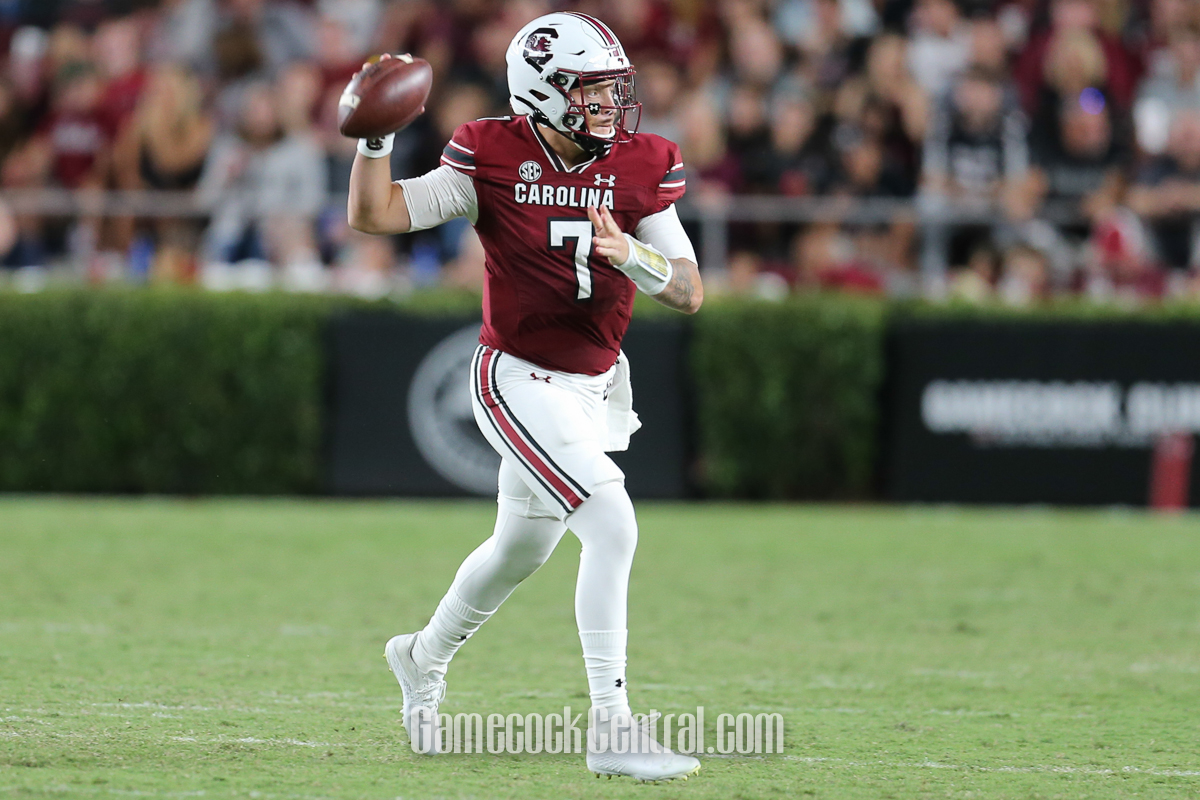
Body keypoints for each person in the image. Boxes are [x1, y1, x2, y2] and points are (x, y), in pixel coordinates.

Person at [345, 13, 703, 783]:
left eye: (614, 89)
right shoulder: (490, 153)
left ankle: (420, 655)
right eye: (591, 91)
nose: (610, 106)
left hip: (591, 385)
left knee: (518, 550)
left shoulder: (644, 163)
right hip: (515, 374)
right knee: (610, 519)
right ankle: (612, 728)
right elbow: (376, 215)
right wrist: (374, 142)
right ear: (542, 93)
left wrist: (632, 253)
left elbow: (689, 289)